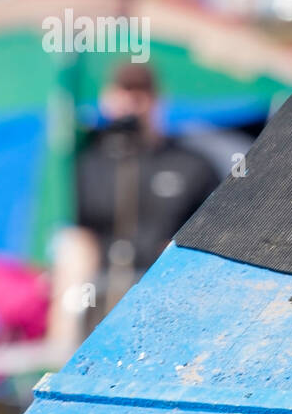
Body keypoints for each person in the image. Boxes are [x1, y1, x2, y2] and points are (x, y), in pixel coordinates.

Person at [75, 63, 222, 315]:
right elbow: (76, 230)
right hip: (100, 284)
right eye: (123, 92)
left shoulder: (192, 166)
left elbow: (215, 232)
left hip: (168, 285)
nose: (131, 103)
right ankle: (66, 347)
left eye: (140, 93)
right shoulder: (86, 164)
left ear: (157, 100)